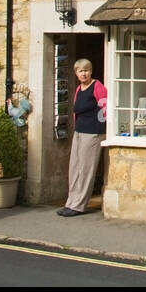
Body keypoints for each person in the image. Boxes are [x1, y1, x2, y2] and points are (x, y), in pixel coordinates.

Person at [58, 58, 107, 216]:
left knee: (86, 169)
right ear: (76, 73)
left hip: (93, 133)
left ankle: (79, 205)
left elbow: (105, 108)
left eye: (86, 70)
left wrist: (100, 127)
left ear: (91, 71)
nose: (83, 73)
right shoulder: (79, 88)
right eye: (80, 71)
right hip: (79, 132)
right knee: (74, 168)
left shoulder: (97, 86)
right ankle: (71, 202)